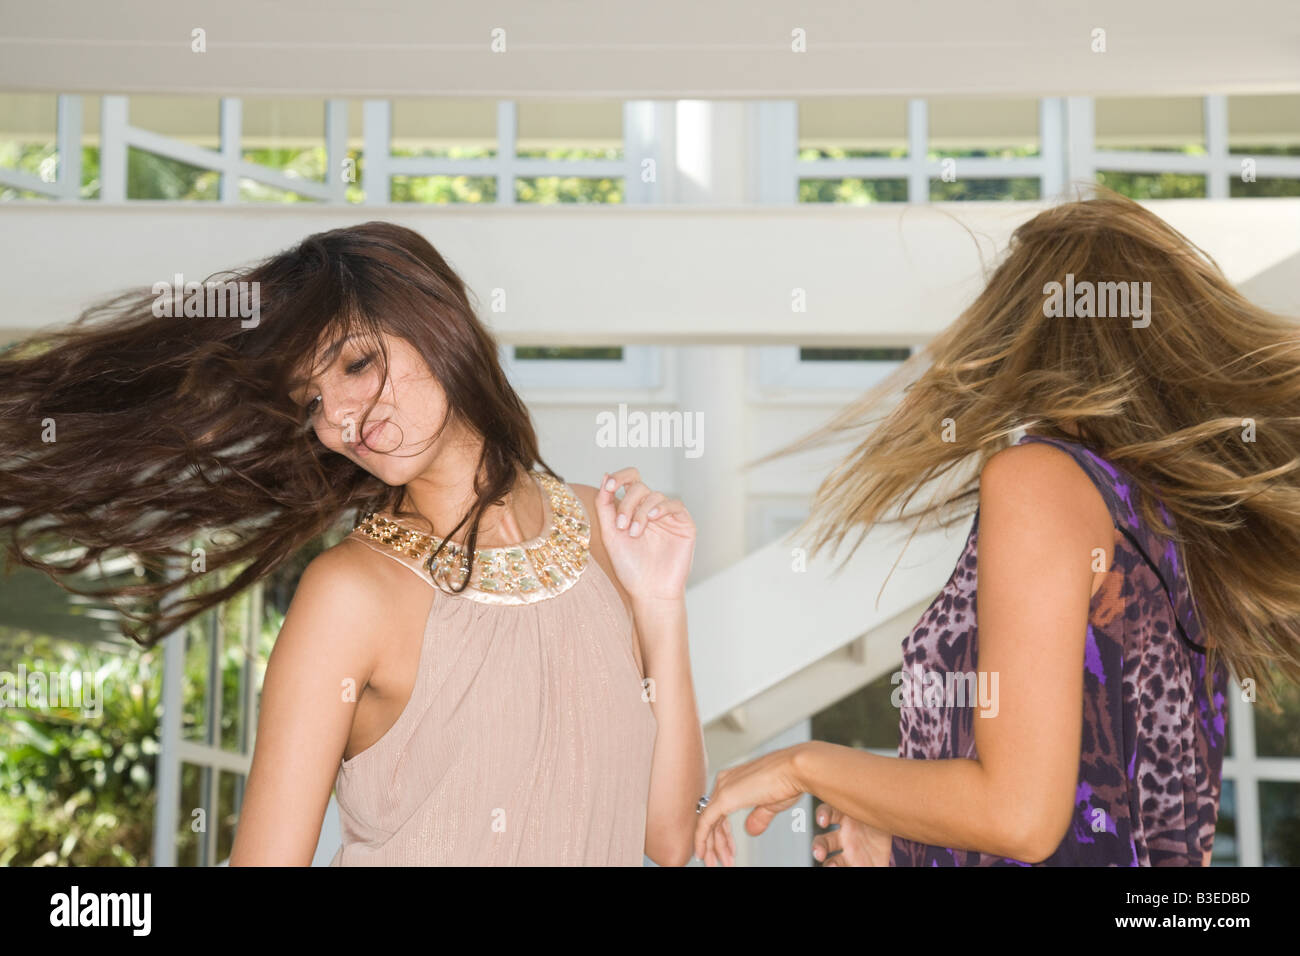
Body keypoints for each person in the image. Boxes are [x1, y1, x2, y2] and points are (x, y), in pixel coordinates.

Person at [0, 221, 706, 866]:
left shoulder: (605, 535)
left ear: (440, 323)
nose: (337, 419)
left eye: (357, 364)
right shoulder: (350, 593)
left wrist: (659, 601)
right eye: (309, 403)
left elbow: (668, 836)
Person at [692, 188, 1300, 867]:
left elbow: (1020, 816)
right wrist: (909, 846)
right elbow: (1090, 814)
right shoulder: (1179, 524)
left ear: (1031, 328)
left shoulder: (1042, 481)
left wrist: (803, 765)